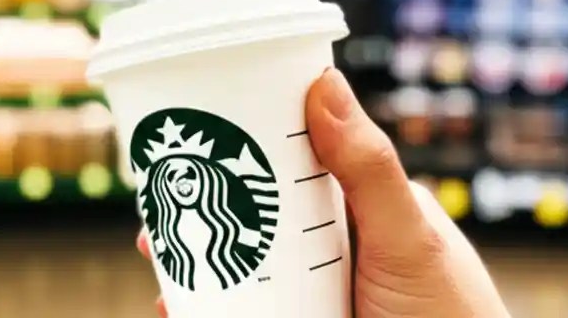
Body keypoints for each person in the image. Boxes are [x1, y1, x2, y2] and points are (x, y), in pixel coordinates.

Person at [137, 68, 512, 318]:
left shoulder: (232, 229)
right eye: (169, 178)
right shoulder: (183, 238)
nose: (180, 184)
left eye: (189, 173)